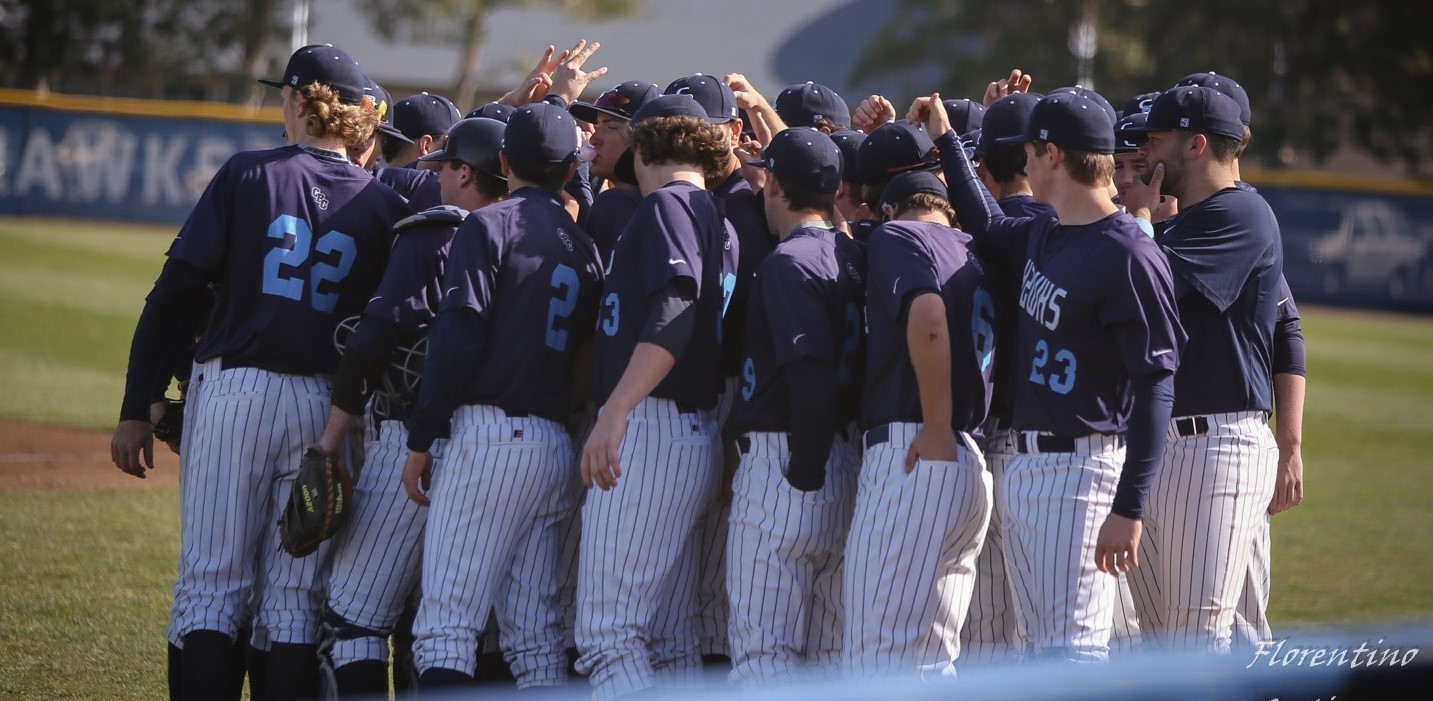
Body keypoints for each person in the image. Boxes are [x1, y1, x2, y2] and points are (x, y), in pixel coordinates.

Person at [111, 44, 411, 700]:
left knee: (212, 588)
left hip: (235, 390)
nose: (281, 103)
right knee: (292, 600)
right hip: (325, 409)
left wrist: (139, 403)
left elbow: (176, 294)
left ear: (304, 101)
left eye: (285, 93)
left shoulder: (249, 175)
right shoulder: (382, 203)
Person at [929, 85, 1186, 663]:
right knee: (1041, 655)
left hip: (1083, 473)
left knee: (1072, 656)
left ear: (1052, 155)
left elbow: (1156, 384)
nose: (1021, 161)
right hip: (1030, 469)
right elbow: (988, 228)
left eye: (1029, 149)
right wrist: (945, 140)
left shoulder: (1128, 253)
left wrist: (1130, 506)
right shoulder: (1047, 232)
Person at [400, 102, 604, 690]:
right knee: (535, 633)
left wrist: (422, 435)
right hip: (551, 443)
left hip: (489, 437)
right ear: (570, 169)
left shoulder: (488, 224)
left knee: (446, 626)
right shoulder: (583, 246)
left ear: (505, 160)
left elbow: (458, 338)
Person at [315, 116, 509, 698]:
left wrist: (332, 435)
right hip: (499, 446)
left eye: (445, 167)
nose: (436, 178)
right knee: (464, 629)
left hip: (415, 444)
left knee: (353, 620)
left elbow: (375, 337)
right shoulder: (542, 232)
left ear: (466, 174)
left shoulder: (433, 232)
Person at [575, 94, 738, 699]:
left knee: (607, 637)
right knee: (668, 638)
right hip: (685, 429)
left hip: (651, 424)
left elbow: (675, 308)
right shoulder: (715, 211)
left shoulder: (668, 203)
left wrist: (616, 407)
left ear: (643, 146)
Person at [1120, 85, 1285, 654]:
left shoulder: (1240, 213)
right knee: (1161, 642)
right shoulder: (1182, 220)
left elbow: (1151, 289)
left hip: (1215, 444)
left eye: (1156, 139)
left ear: (1195, 145)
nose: (1145, 153)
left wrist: (1140, 216)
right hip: (1165, 445)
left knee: (1197, 642)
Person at [841, 168, 996, 678]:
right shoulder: (973, 249)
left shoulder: (898, 233)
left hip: (917, 445)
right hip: (969, 456)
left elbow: (928, 317)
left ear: (888, 209)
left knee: (875, 659)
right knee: (930, 663)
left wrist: (934, 425)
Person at [725, 128, 865, 687]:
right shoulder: (854, 253)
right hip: (846, 457)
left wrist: (802, 470)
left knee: (763, 662)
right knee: (828, 662)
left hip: (788, 459)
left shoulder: (790, 262)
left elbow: (810, 372)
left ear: (775, 182)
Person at [664, 72, 773, 669]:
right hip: (702, 399)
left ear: (732, 131)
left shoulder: (756, 199)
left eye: (695, 130)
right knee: (692, 588)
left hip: (739, 396)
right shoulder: (702, 202)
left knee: (718, 589)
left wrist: (762, 110)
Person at [570, 80, 662, 258]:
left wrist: (576, 178)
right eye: (597, 126)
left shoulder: (616, 202)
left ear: (644, 138)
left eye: (611, 127)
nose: (594, 139)